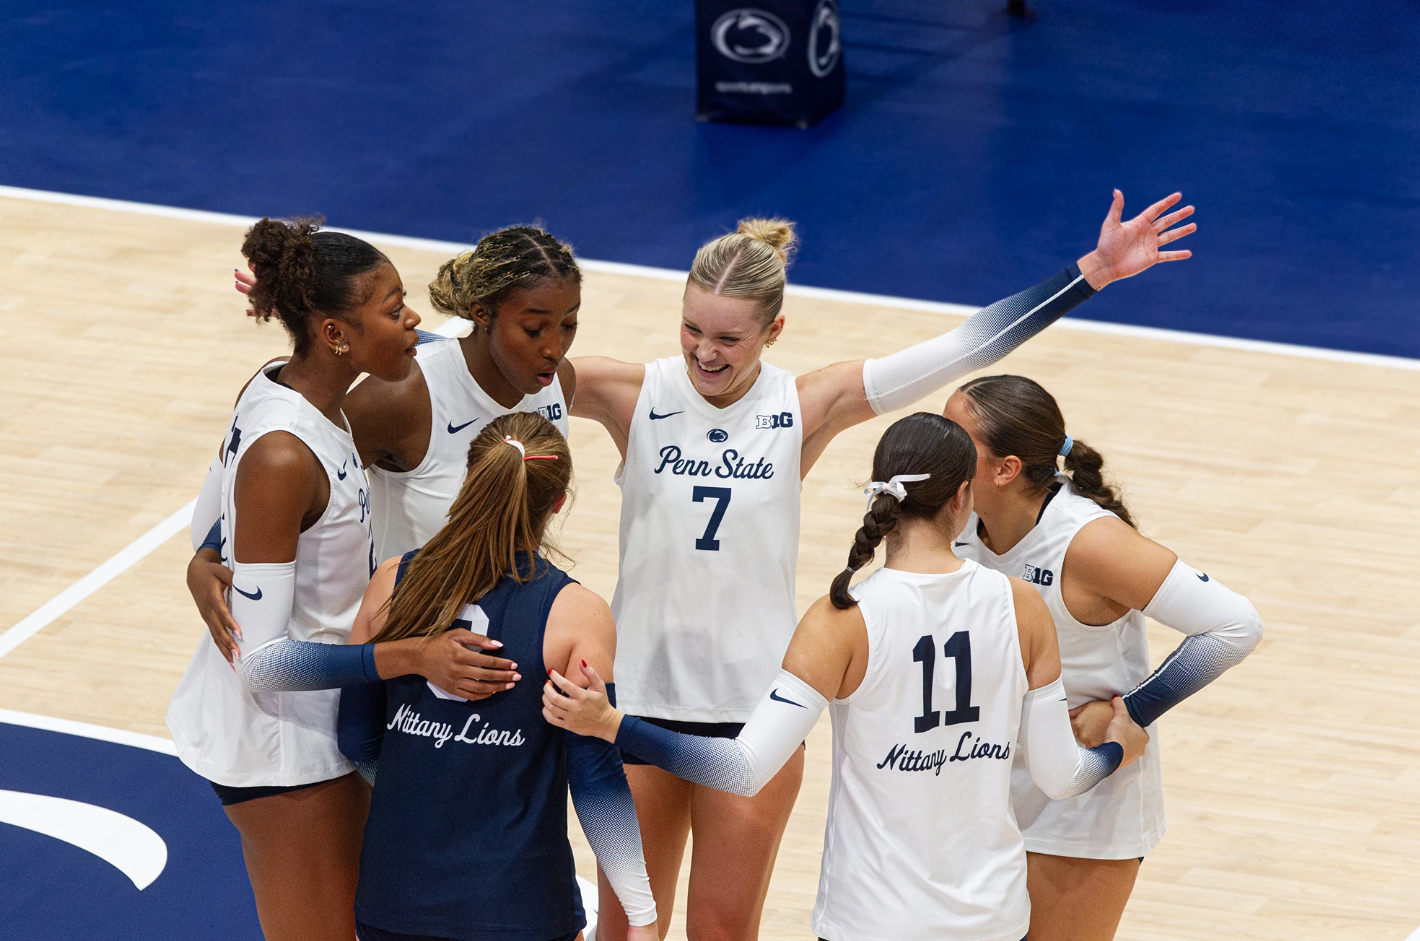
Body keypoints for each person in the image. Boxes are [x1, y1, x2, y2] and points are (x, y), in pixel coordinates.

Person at [565, 190, 1195, 940]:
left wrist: (1089, 272)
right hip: (636, 697)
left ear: (774, 330)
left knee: (723, 932)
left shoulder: (803, 404)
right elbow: (503, 360)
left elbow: (962, 348)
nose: (706, 351)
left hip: (751, 716)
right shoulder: (633, 393)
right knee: (625, 929)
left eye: (729, 338)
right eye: (693, 328)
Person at [542, 411, 1150, 941]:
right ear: (962, 497)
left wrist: (614, 723)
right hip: (991, 918)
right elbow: (1060, 777)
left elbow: (741, 769)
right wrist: (1118, 748)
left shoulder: (842, 619)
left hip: (870, 919)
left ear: (879, 496)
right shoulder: (1022, 606)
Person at [186, 224, 583, 696]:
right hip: (404, 659)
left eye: (569, 325)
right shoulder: (398, 399)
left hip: (504, 646)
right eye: (534, 328)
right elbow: (282, 480)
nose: (554, 348)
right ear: (483, 314)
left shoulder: (557, 384)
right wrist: (209, 549)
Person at [166, 218, 424, 941]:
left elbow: (205, 528)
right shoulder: (285, 451)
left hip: (321, 725)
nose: (413, 320)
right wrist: (403, 658)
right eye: (395, 307)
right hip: (279, 745)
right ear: (338, 333)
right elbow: (262, 661)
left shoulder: (285, 385)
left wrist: (203, 563)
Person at [943, 375, 1263, 941]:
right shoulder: (958, 524)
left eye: (955, 437)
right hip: (986, 785)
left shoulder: (1088, 543)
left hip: (1084, 802)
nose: (937, 444)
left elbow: (1234, 625)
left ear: (1005, 469)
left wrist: (1132, 712)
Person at [336, 412, 659, 941]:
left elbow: (354, 735)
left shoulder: (393, 582)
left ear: (471, 481)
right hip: (520, 903)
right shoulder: (576, 614)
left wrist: (433, 788)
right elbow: (596, 780)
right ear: (557, 504)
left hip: (397, 896)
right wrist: (640, 914)